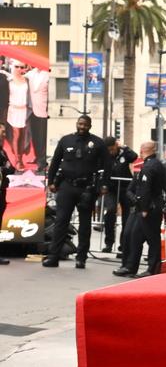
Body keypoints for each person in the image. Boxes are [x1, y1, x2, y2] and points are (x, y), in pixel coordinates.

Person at [44, 115, 107, 269]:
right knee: (61, 222)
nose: (82, 127)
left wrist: (103, 185)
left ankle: (81, 258)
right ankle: (54, 256)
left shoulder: (98, 143)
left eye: (85, 124)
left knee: (85, 225)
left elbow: (107, 166)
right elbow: (55, 162)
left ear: (90, 125)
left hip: (87, 188)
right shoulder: (66, 140)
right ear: (76, 123)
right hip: (67, 186)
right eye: (80, 123)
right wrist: (51, 181)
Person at [112, 142, 166, 278]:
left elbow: (147, 189)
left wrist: (144, 208)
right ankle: (130, 266)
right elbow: (137, 186)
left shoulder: (151, 166)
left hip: (148, 207)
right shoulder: (151, 165)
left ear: (143, 150)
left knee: (151, 238)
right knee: (132, 236)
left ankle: (152, 269)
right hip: (143, 206)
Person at [101, 137, 136, 254]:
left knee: (127, 217)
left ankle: (123, 245)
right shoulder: (105, 155)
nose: (111, 152)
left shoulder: (124, 153)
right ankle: (109, 243)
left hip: (126, 188)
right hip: (111, 189)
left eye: (112, 149)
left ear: (116, 145)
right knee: (110, 211)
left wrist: (124, 147)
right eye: (108, 150)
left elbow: (134, 157)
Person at [0, 124, 16, 265]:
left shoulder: (3, 151)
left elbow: (11, 168)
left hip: (1, 191)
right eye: (2, 131)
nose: (4, 134)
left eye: (5, 132)